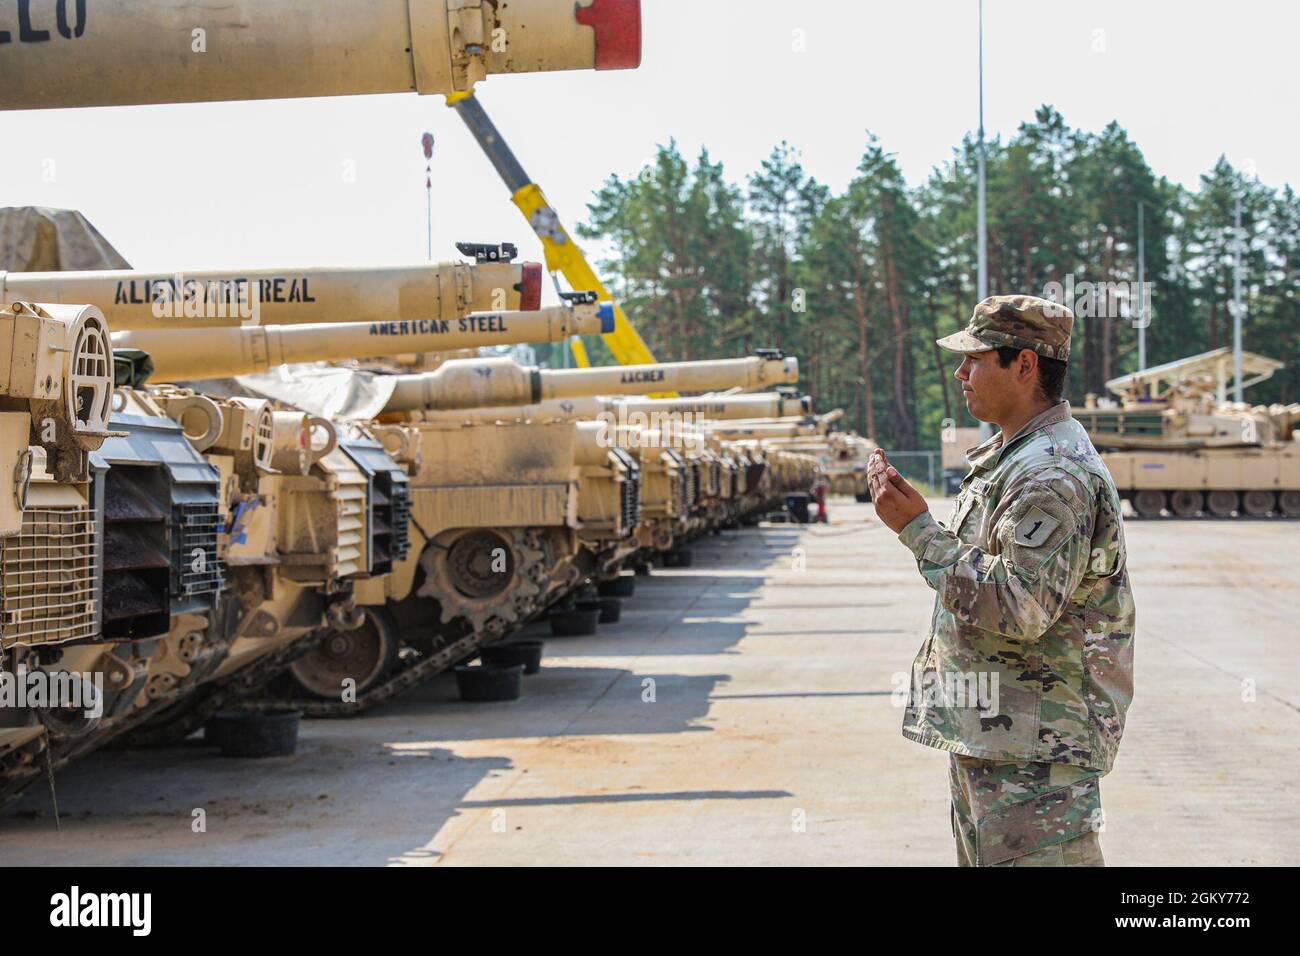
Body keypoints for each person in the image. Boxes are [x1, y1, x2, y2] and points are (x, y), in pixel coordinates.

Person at [867, 294, 1135, 867]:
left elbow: (1018, 607)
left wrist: (917, 531)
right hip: (1003, 736)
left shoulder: (1051, 475)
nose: (961, 373)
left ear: (1026, 365)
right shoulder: (1016, 458)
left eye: (976, 358)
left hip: (1037, 753)